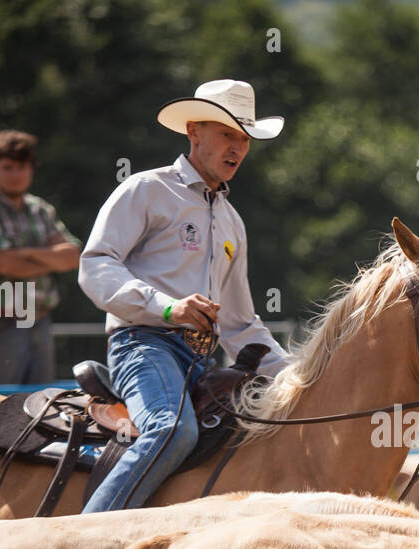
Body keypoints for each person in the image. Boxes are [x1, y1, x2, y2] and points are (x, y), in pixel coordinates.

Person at [78, 79, 291, 513]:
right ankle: (82, 538)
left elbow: (240, 325)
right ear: (194, 132)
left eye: (245, 139)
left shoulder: (233, 222)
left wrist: (298, 376)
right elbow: (95, 265)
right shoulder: (146, 189)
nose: (238, 148)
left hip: (200, 362)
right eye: (227, 134)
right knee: (171, 429)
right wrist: (168, 307)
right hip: (144, 344)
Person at [0, 130, 81, 385]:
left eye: (22, 167)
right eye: (8, 167)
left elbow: (72, 257)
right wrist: (48, 258)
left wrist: (25, 253)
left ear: (32, 169)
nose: (16, 174)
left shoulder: (40, 209)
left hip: (40, 321)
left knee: (37, 409)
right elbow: (1, 263)